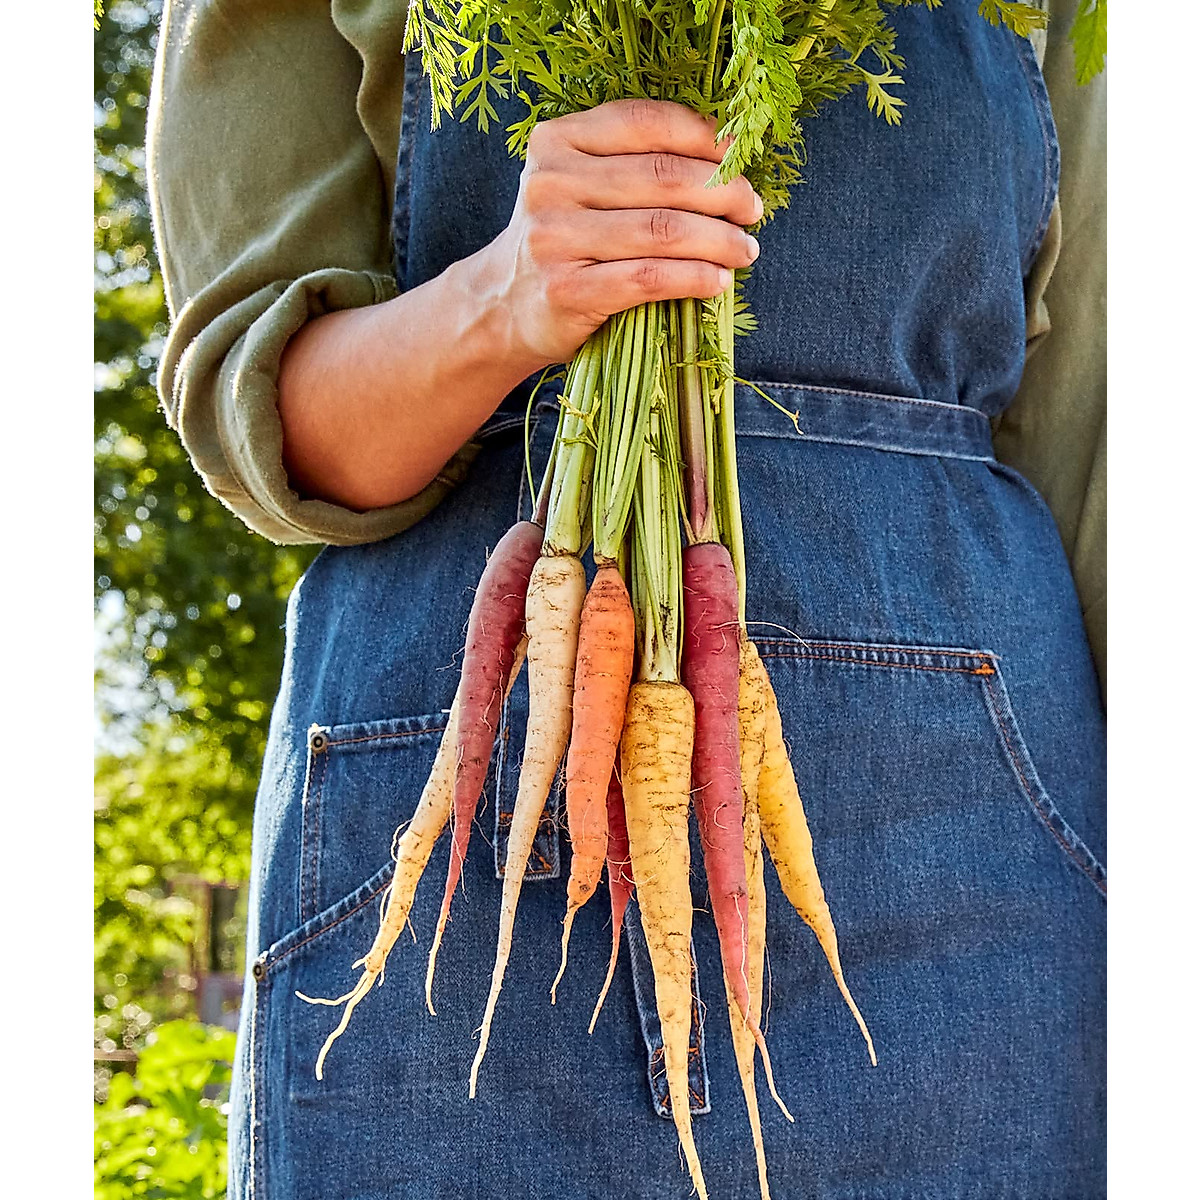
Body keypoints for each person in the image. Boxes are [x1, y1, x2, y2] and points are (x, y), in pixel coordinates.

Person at [148, 1, 1106, 1196]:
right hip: (470, 785)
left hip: (975, 835)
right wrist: (503, 297)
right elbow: (266, 415)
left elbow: (1105, 440)